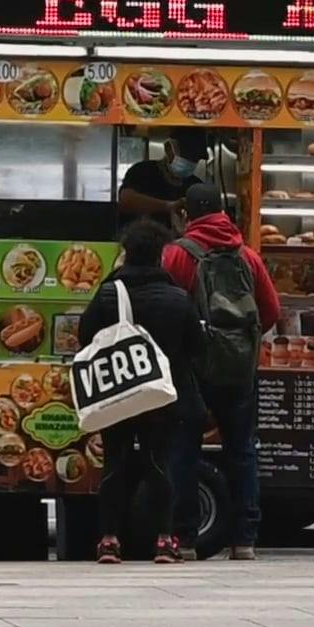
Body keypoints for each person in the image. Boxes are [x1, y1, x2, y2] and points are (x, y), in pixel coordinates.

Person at [163, 179, 282, 558]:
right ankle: (244, 539)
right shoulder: (248, 256)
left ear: (187, 215)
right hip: (239, 369)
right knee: (242, 450)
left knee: (184, 450)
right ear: (223, 213)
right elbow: (271, 311)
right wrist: (241, 344)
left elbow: (168, 308)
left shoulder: (176, 255)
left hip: (193, 367)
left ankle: (184, 539)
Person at [78, 216, 203, 562]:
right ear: (160, 255)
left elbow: (84, 338)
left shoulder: (107, 294)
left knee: (115, 464)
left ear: (125, 254)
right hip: (160, 396)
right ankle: (164, 539)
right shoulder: (178, 298)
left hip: (116, 392)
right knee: (158, 463)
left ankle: (109, 539)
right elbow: (197, 346)